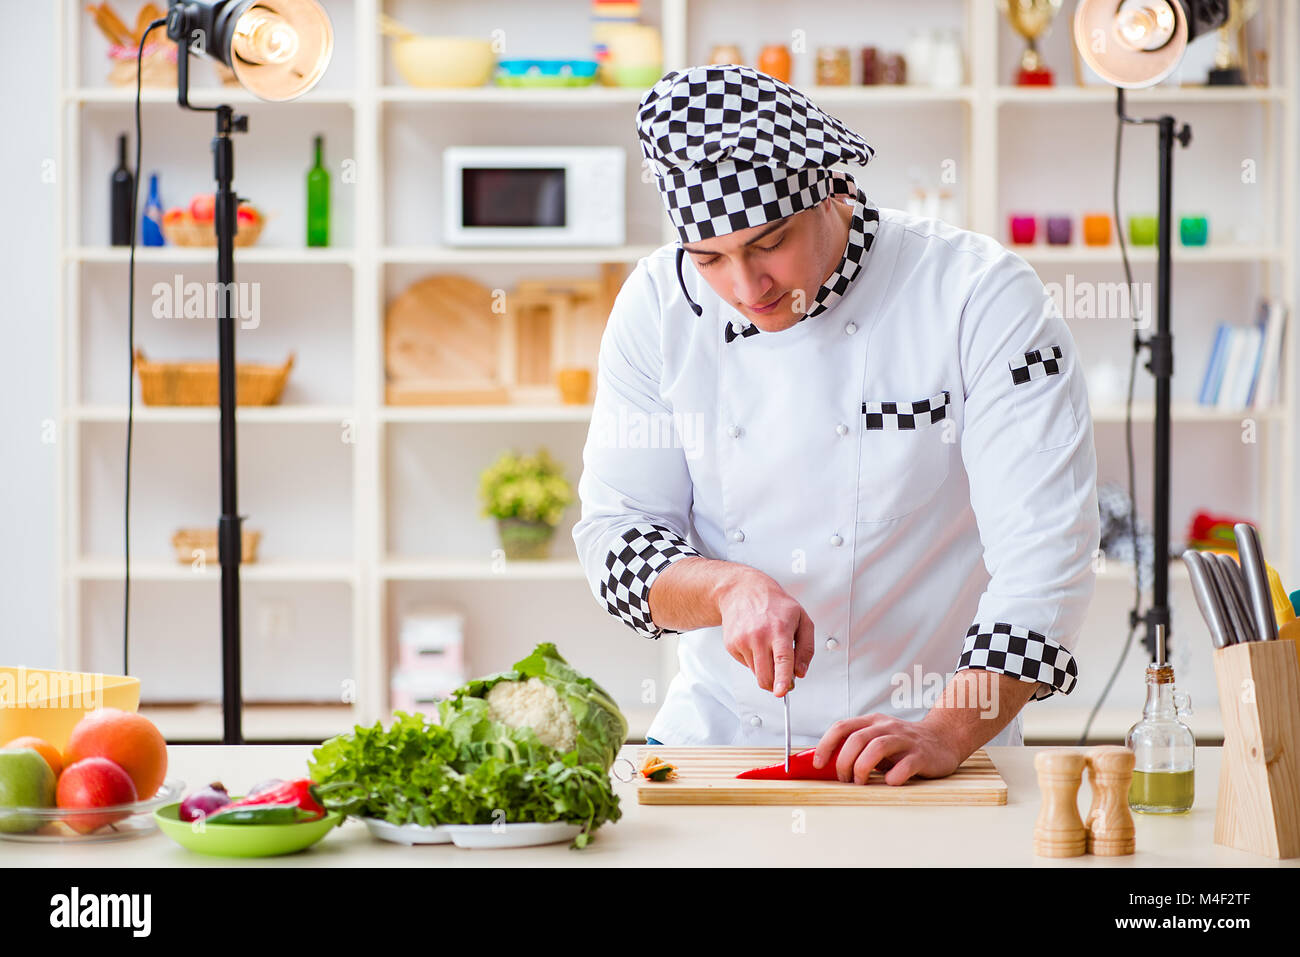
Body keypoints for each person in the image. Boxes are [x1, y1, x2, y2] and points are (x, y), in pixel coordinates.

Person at [572, 65, 1100, 785]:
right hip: (720, 740)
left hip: (933, 742)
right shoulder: (656, 305)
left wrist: (946, 730)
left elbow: (1047, 556)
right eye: (709, 258)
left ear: (831, 190)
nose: (744, 287)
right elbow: (616, 533)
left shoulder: (976, 295)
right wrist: (727, 587)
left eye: (768, 243)